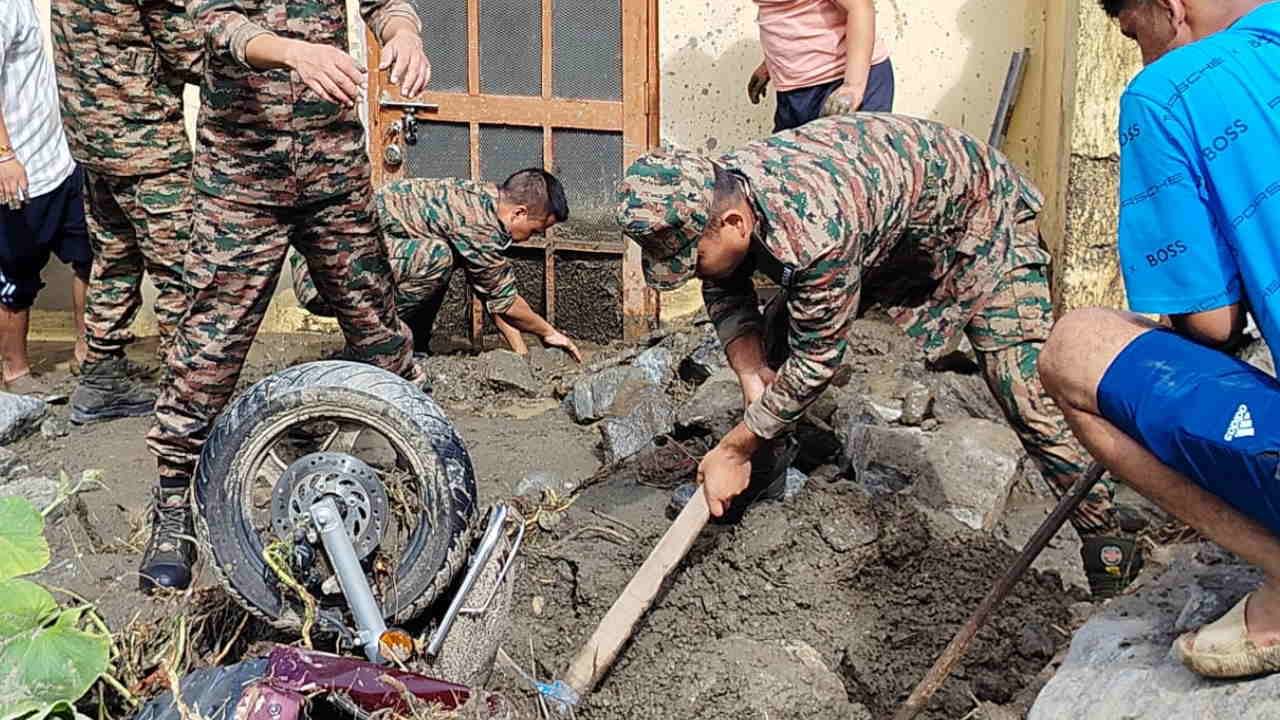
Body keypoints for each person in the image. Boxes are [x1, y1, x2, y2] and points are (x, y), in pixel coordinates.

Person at [616, 114, 1141, 599]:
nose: (695, 271)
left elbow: (818, 359)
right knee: (771, 343)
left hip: (981, 220)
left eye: (695, 257)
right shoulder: (719, 191)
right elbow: (724, 285)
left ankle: (1109, 546)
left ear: (734, 224)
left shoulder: (815, 228)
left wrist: (732, 446)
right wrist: (752, 374)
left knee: (1024, 392)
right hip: (894, 228)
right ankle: (762, 472)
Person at [140, 0, 432, 593]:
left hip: (333, 172)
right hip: (242, 181)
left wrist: (404, 35)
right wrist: (295, 52)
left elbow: (385, 5)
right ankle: (174, 504)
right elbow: (216, 24)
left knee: (380, 329)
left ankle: (422, 473)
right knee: (209, 349)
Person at [1040, 0, 1280, 678]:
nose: (1141, 55)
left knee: (1076, 345)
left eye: (1133, 35)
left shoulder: (1171, 88)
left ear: (1169, 9)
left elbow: (1211, 324)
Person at [50, 0, 203, 425]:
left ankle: (101, 378)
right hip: (145, 143)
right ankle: (189, 398)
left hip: (95, 140)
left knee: (114, 259)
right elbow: (189, 49)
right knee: (181, 271)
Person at [291, 170, 582, 361]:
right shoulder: (479, 224)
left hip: (337, 266)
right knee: (437, 258)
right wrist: (548, 332)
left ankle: (409, 345)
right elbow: (505, 302)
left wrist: (520, 353)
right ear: (519, 212)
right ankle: (374, 344)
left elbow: (492, 290)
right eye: (535, 230)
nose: (531, 238)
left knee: (444, 256)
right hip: (321, 276)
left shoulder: (481, 202)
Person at [0, 0, 91, 395]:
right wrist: (4, 156)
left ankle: (86, 351)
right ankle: (16, 373)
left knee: (89, 257)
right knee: (16, 278)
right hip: (21, 170)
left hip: (63, 160)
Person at [747, 0, 894, 133]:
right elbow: (788, 14)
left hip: (841, 82)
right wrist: (769, 65)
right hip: (794, 91)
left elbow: (860, 8)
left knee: (849, 157)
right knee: (791, 159)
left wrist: (853, 86)